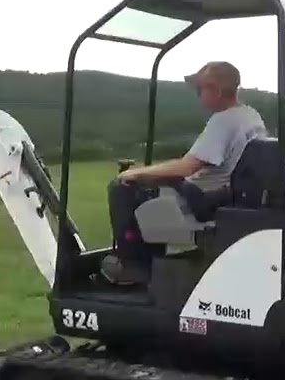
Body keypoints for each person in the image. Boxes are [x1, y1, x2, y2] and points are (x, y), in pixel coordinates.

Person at [100, 60, 268, 286]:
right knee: (148, 182)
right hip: (227, 193)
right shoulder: (250, 115)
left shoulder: (224, 121)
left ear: (217, 91)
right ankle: (151, 263)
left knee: (121, 189)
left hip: (204, 197)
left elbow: (186, 167)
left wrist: (135, 173)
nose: (198, 95)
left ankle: (134, 266)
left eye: (200, 89)